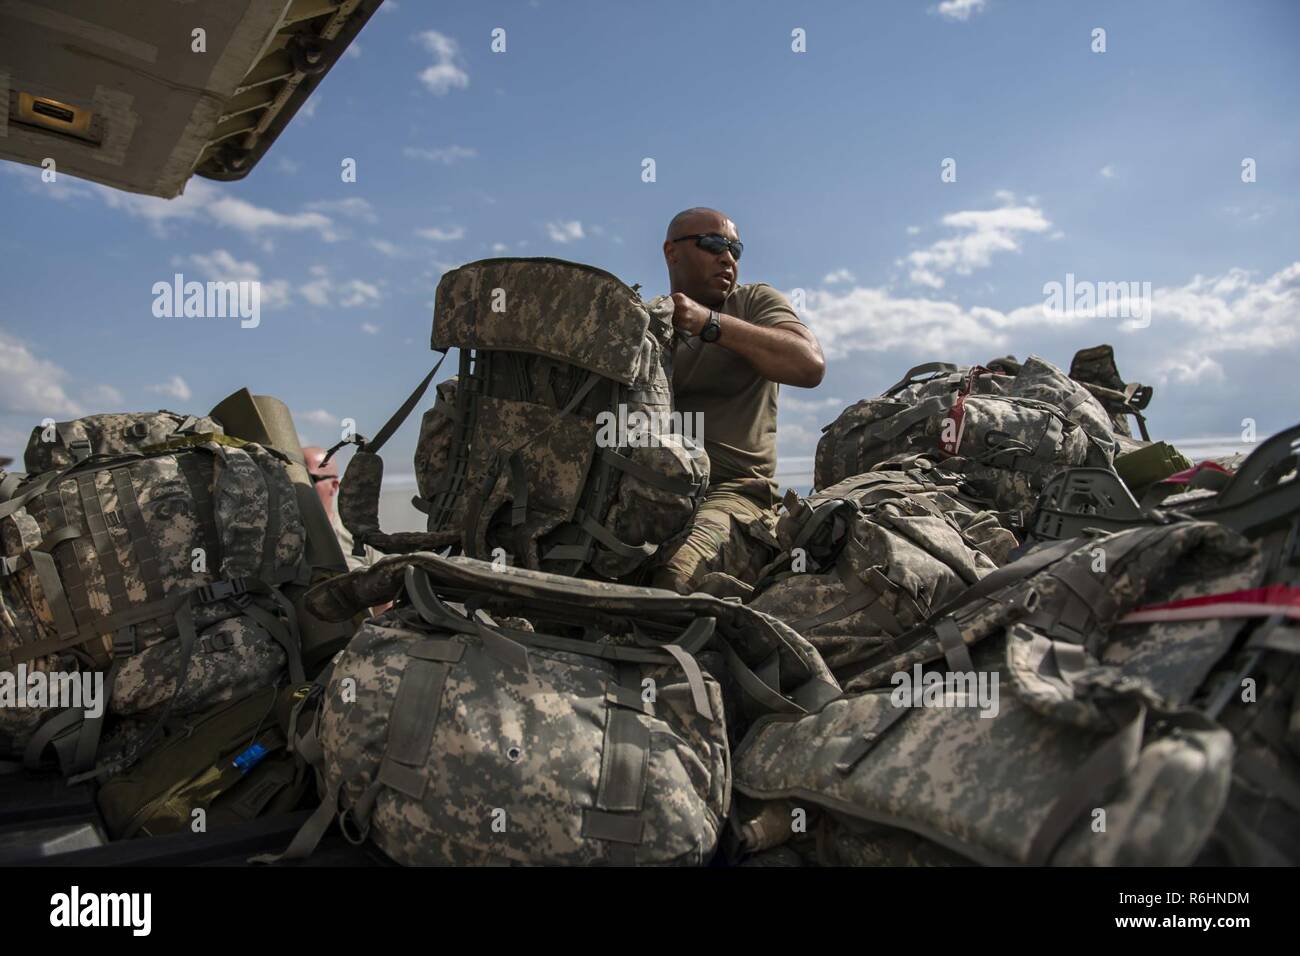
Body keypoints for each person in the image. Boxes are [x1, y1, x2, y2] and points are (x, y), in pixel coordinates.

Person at [650, 207, 826, 593]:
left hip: (736, 492)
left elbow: (808, 365)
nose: (727, 257)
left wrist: (710, 324)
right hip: (651, 489)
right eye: (712, 244)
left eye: (735, 248)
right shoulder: (647, 325)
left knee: (672, 581)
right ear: (671, 252)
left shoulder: (753, 303)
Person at [303, 445, 379, 573]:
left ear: (333, 486)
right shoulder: (283, 536)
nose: (299, 484)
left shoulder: (359, 537)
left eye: (310, 478)